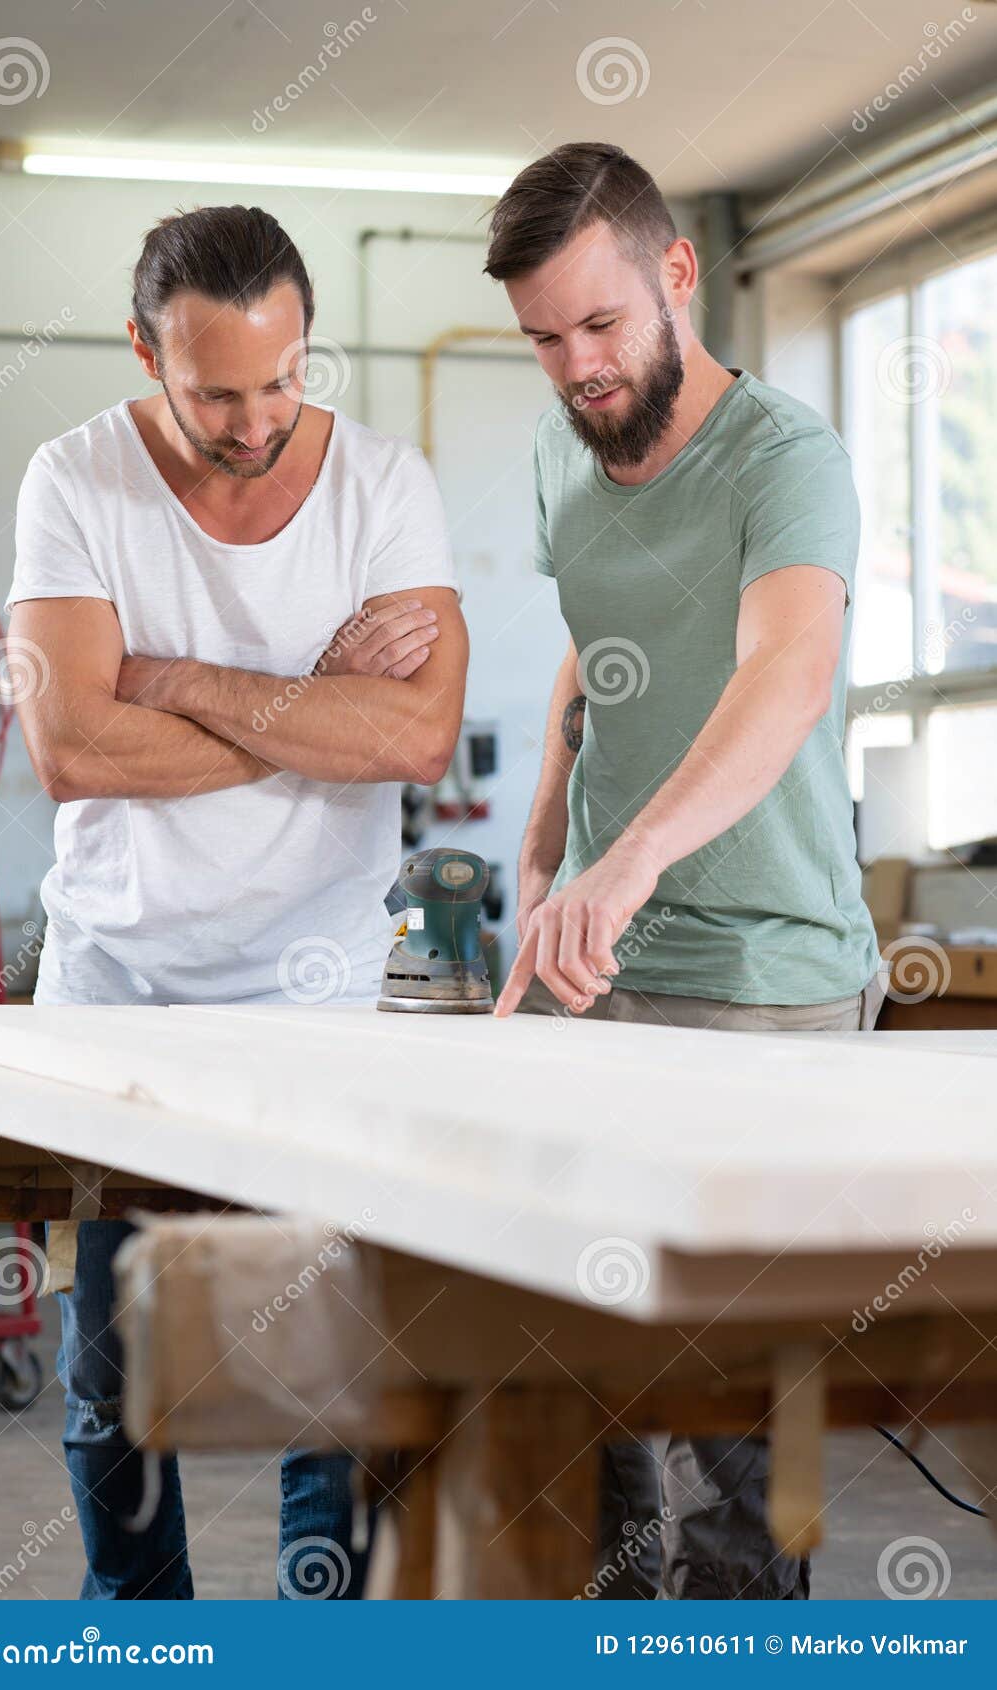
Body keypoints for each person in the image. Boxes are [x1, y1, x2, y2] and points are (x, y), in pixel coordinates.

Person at [6, 204, 467, 1598]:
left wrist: (186, 678)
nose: (258, 418)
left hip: (319, 986)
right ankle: (142, 1629)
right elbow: (73, 748)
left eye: (285, 378)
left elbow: (413, 740)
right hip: (116, 983)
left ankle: (311, 1639)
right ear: (144, 351)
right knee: (113, 1358)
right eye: (216, 391)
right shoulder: (74, 478)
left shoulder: (387, 481)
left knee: (325, 1366)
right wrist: (313, 699)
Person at [487, 143, 881, 1601]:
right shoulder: (559, 449)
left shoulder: (788, 459)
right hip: (597, 967)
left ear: (677, 275)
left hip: (764, 981)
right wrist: (544, 846)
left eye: (599, 327)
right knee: (568, 1378)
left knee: (727, 1434)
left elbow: (788, 671)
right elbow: (594, 654)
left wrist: (637, 850)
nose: (577, 367)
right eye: (543, 340)